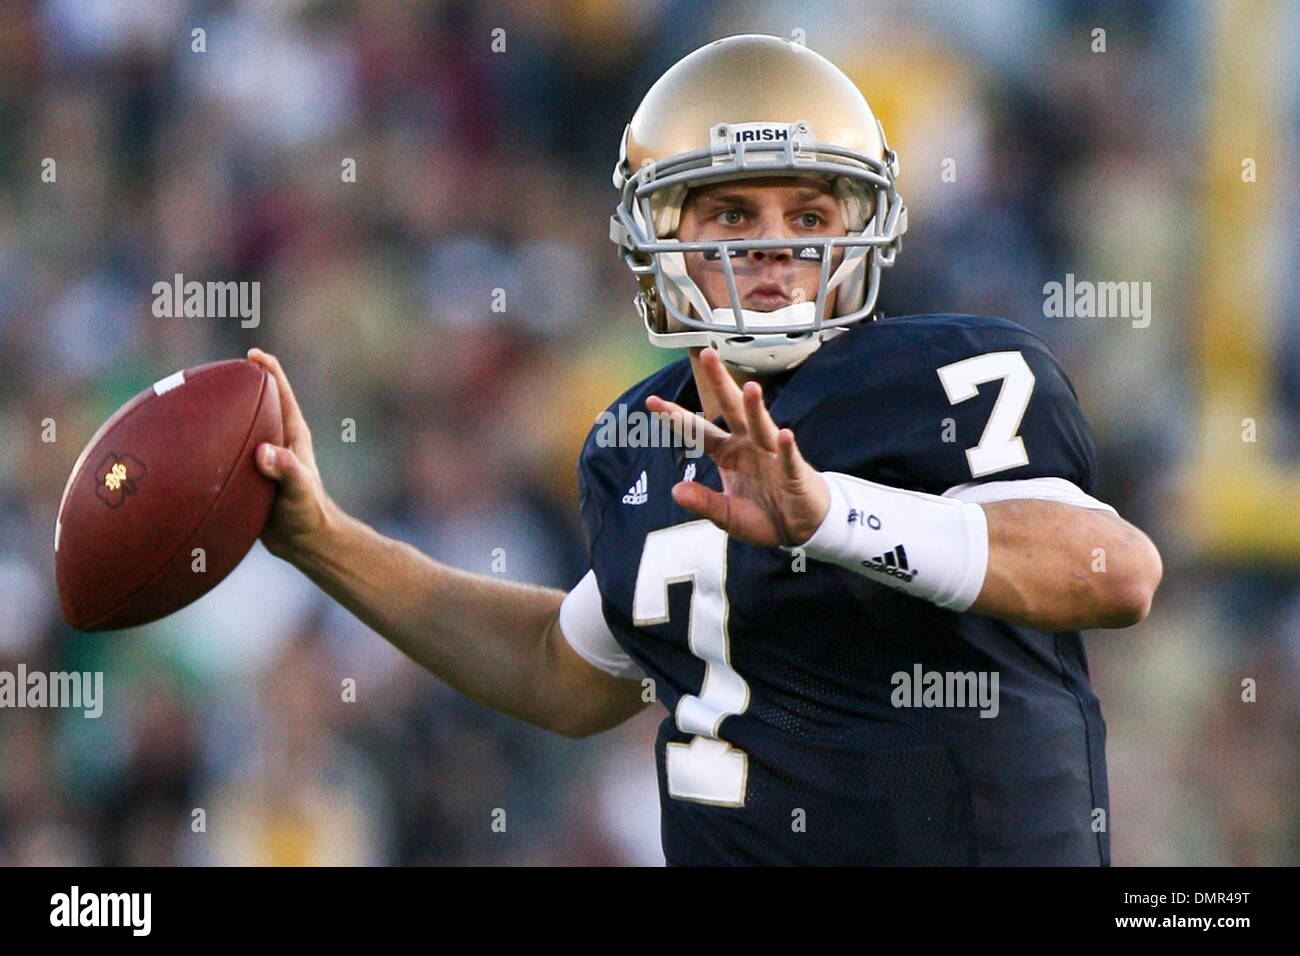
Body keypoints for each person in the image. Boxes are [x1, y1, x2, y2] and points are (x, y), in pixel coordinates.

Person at [248, 34, 1162, 865]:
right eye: (731, 215)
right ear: (659, 237)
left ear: (861, 229)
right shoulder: (638, 441)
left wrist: (830, 515)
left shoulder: (950, 373)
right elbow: (553, 670)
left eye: (807, 217)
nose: (772, 245)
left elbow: (1112, 572)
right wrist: (324, 539)